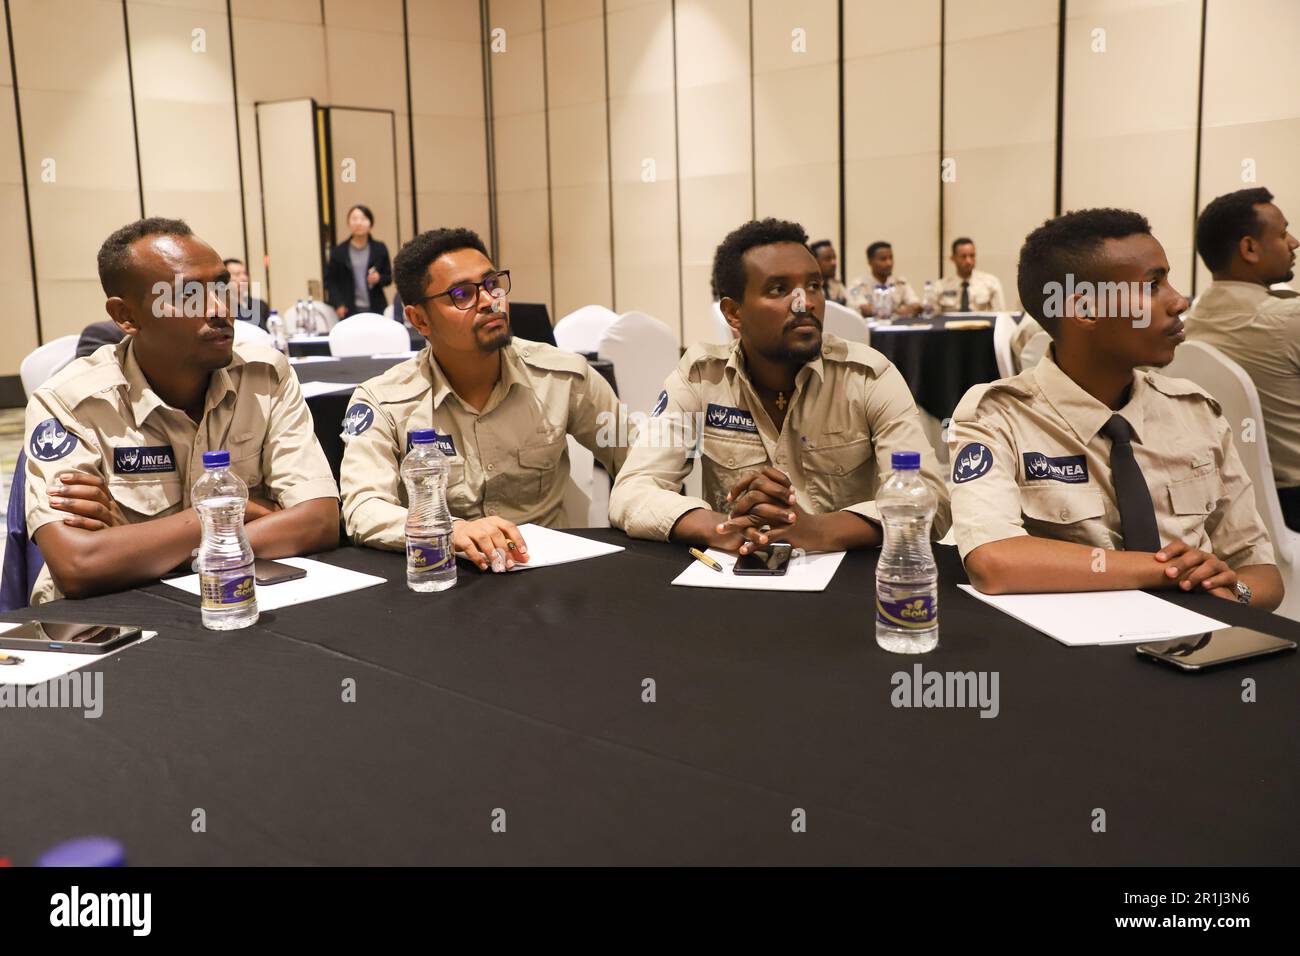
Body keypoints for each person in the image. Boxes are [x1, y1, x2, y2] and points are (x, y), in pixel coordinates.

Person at [948, 208, 1282, 611]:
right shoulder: (999, 416)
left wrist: (1234, 590)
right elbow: (994, 561)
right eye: (1153, 285)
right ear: (1085, 310)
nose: (1179, 300)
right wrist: (1166, 573)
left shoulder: (1194, 412)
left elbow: (1262, 572)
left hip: (1194, 646)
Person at [23, 217, 340, 604]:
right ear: (126, 316)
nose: (221, 309)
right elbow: (78, 566)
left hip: (237, 600)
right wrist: (240, 512)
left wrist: (142, 544)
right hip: (109, 620)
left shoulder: (265, 377)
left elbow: (319, 522)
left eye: (222, 287)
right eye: (189, 294)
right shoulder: (68, 402)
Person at [609, 218, 950, 553]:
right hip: (738, 578)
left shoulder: (868, 377)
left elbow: (932, 504)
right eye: (778, 289)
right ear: (733, 314)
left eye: (814, 285)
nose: (806, 303)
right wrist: (723, 528)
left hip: (847, 588)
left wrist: (819, 530)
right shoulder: (702, 378)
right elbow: (632, 491)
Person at [339, 227, 626, 572]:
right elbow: (363, 507)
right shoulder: (384, 401)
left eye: (492, 284)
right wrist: (449, 529)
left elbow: (638, 458)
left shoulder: (563, 377)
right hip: (444, 578)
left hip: (550, 577)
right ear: (419, 319)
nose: (491, 301)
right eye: (462, 294)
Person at [1184, 187, 1300, 529]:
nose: (1294, 242)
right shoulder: (1286, 320)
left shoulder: (1194, 320)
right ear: (1249, 248)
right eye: (1282, 234)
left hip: (1232, 505)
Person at [325, 204, 392, 319]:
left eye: (363, 219)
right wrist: (338, 303)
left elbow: (389, 277)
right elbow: (331, 282)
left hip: (376, 307)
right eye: (354, 219)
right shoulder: (339, 251)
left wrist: (379, 278)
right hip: (348, 309)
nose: (359, 223)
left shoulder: (379, 248)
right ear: (348, 223)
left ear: (370, 223)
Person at [847, 241, 920, 318]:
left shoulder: (900, 283)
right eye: (883, 259)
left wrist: (881, 311)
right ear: (870, 261)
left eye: (891, 258)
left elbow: (916, 305)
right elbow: (865, 310)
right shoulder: (857, 286)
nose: (889, 263)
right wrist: (897, 310)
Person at [937, 237, 1005, 312]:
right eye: (963, 257)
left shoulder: (991, 283)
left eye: (972, 256)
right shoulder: (941, 287)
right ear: (953, 258)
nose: (968, 261)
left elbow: (1000, 315)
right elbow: (932, 317)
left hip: (983, 323)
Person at [223, 257, 272, 327]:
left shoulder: (260, 305)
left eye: (245, 273)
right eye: (237, 274)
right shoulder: (223, 309)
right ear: (224, 279)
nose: (244, 278)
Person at [810, 239, 847, 305]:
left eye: (834, 258)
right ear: (814, 261)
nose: (834, 263)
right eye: (828, 259)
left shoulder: (837, 285)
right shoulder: (808, 287)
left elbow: (852, 306)